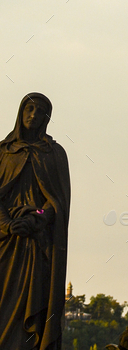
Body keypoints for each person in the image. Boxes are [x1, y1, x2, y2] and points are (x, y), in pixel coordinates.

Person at [0, 93, 70, 349]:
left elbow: (57, 204)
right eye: (29, 109)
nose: (33, 115)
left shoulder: (54, 154)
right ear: (20, 112)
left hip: (37, 246)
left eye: (40, 111)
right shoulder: (3, 153)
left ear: (46, 118)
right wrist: (7, 223)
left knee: (34, 307)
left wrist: (36, 219)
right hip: (5, 242)